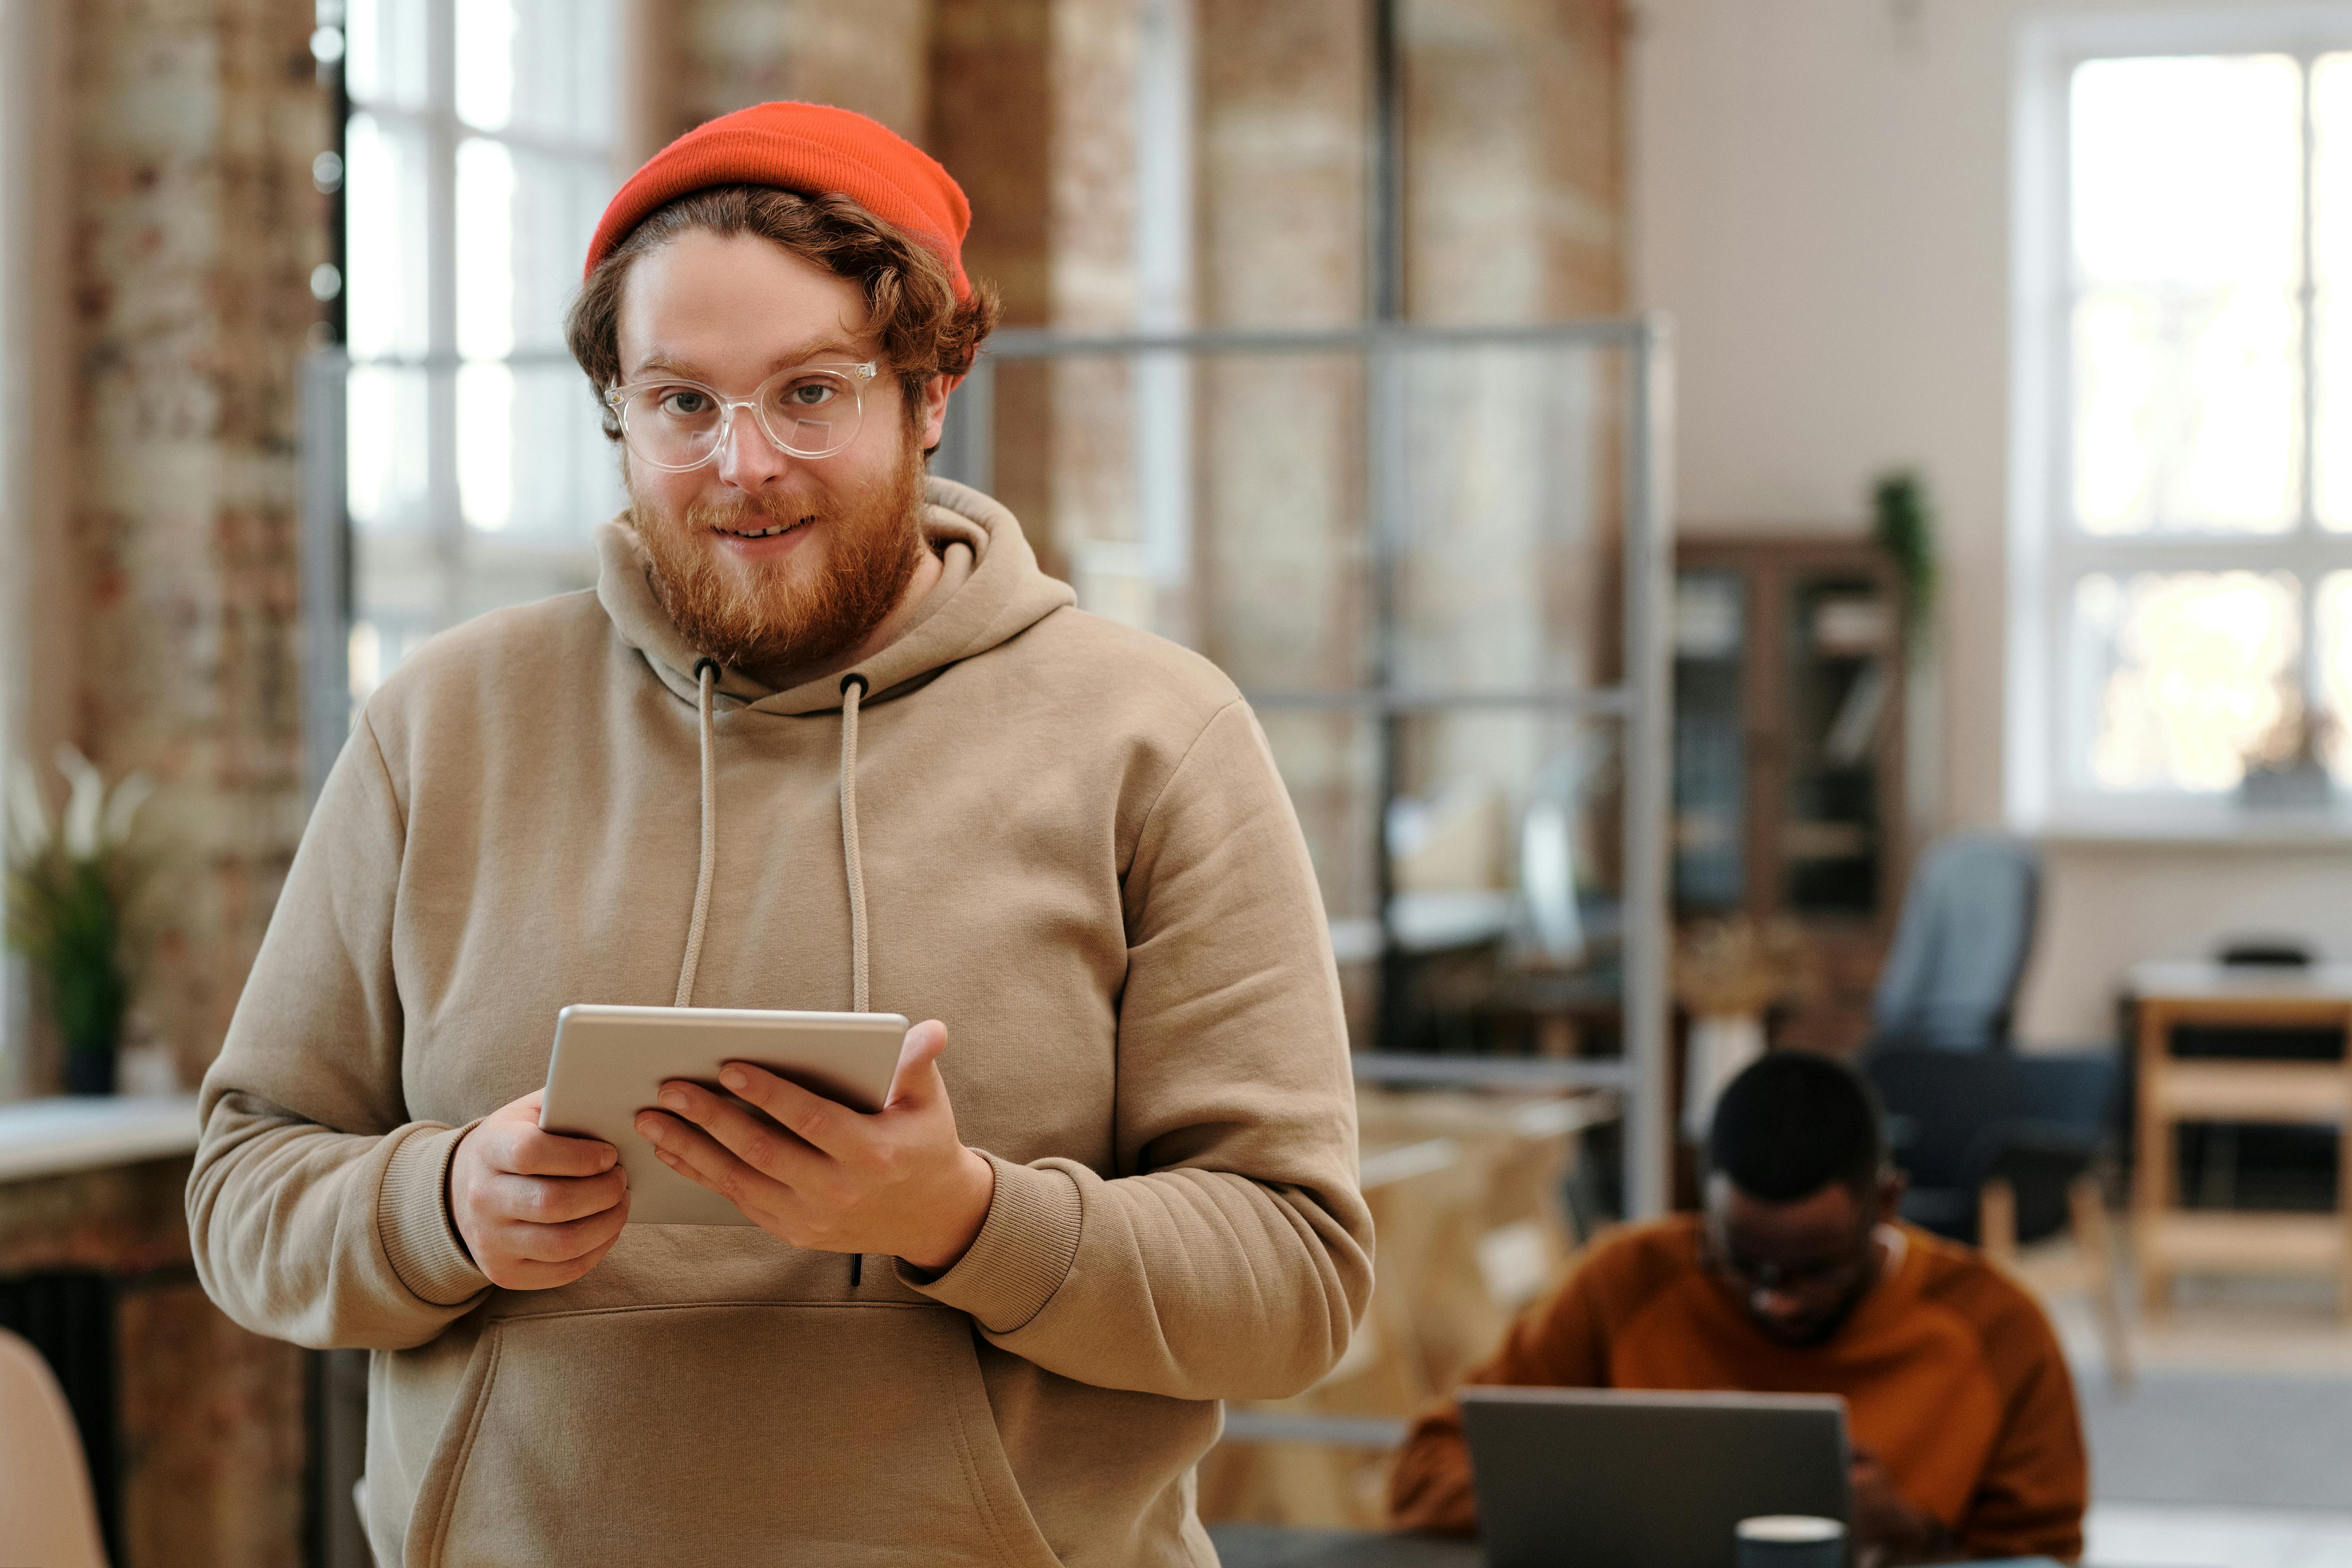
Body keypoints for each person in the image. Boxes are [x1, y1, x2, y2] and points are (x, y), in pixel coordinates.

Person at [188, 101, 1372, 1566]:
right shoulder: (440, 724)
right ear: (619, 409)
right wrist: (437, 1204)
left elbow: (1296, 1283)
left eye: (810, 393)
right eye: (682, 402)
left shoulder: (1157, 735)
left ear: (931, 391)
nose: (742, 464)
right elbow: (242, 1192)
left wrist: (963, 1216)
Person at [1389, 1051, 2087, 1565]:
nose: (1774, 1298)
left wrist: (1914, 1537)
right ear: (1705, 1209)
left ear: (1886, 1204)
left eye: (1816, 1270)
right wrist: (1625, 1507)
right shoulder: (1625, 1282)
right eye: (1742, 1263)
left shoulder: (1996, 1327)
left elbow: (2042, 1558)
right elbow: (1423, 1476)